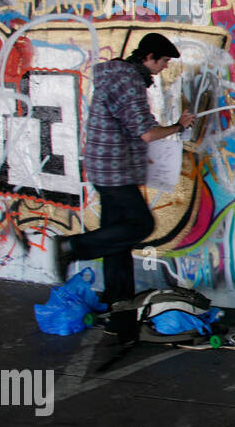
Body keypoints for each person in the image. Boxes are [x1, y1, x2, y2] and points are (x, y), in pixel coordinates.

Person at [51, 32, 196, 313]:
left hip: (105, 165)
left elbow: (132, 126)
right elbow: (147, 132)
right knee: (141, 225)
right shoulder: (129, 81)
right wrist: (179, 126)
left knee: (116, 235)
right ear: (148, 57)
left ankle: (118, 298)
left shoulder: (117, 76)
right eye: (163, 60)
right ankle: (72, 247)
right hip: (115, 169)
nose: (165, 66)